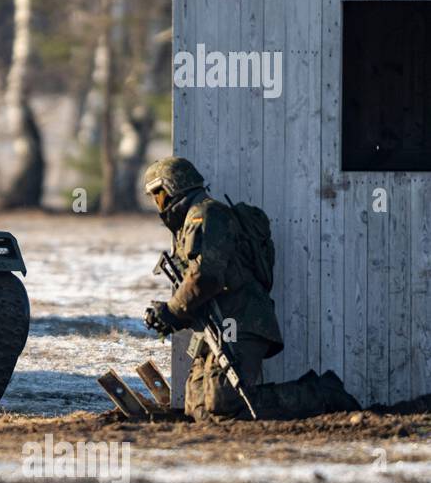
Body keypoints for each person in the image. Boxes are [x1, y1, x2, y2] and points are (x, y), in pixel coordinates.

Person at [141, 156, 359, 422]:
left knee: (222, 405)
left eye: (159, 194)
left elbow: (207, 276)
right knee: (198, 408)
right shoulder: (189, 223)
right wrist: (169, 315)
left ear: (175, 186)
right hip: (220, 324)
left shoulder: (208, 214)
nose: (158, 203)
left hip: (242, 320)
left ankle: (321, 394)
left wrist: (172, 311)